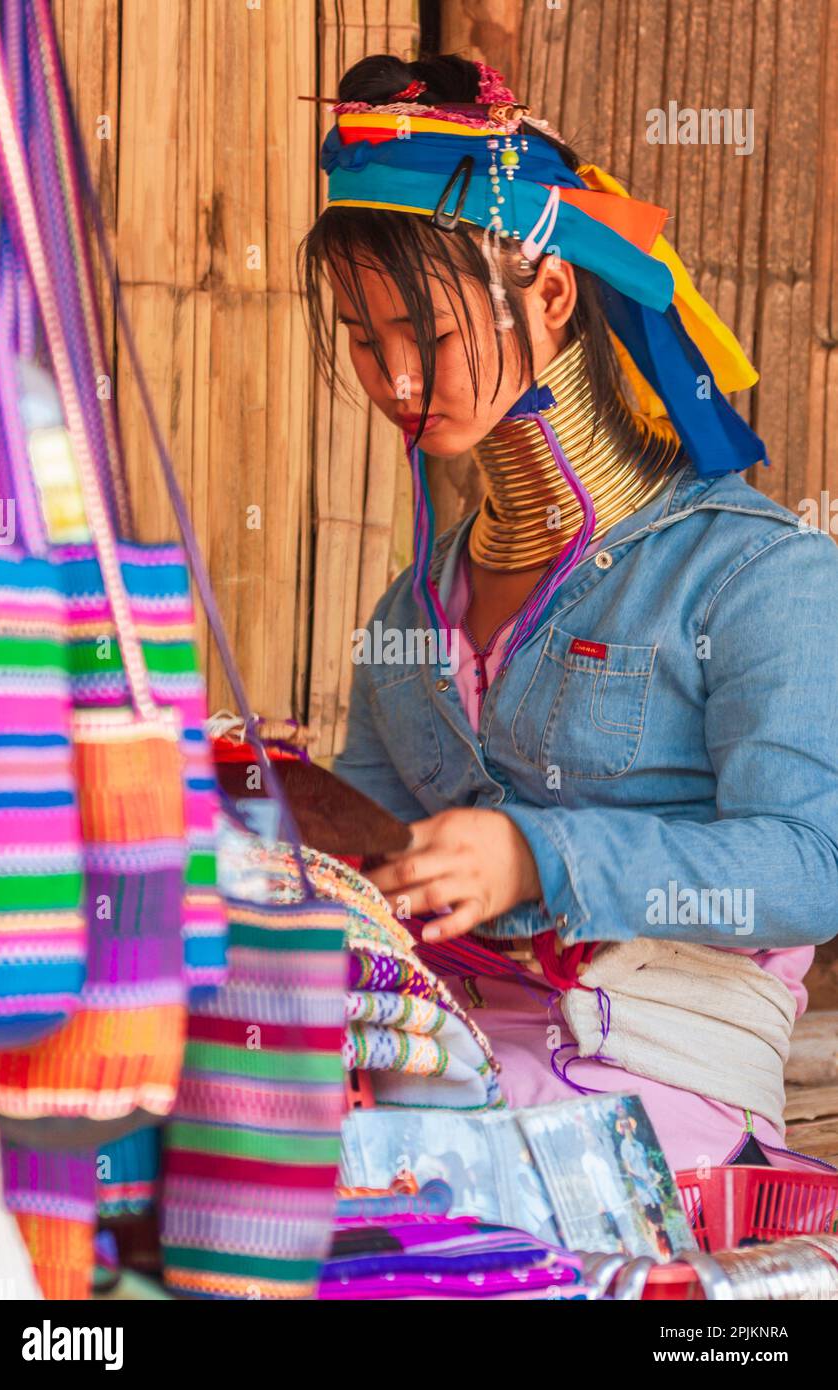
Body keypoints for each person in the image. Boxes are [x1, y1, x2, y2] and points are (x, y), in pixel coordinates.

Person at [299, 53, 838, 1171]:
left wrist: (536, 854)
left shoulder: (754, 575)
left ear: (548, 295)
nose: (394, 380)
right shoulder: (413, 608)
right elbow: (365, 869)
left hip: (648, 1084)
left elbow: (808, 864)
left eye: (428, 335)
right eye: (361, 336)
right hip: (428, 1067)